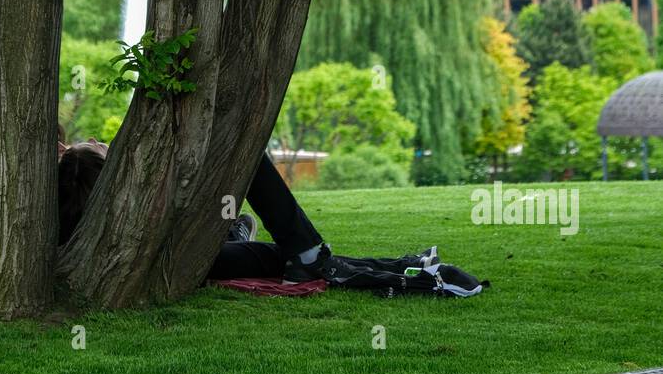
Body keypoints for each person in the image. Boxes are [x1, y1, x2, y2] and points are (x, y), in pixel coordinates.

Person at [57, 131, 485, 294]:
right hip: (199, 260)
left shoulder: (105, 217)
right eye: (98, 146)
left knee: (243, 171)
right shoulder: (122, 222)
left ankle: (255, 238)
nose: (99, 137)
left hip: (198, 250)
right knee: (287, 257)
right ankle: (409, 273)